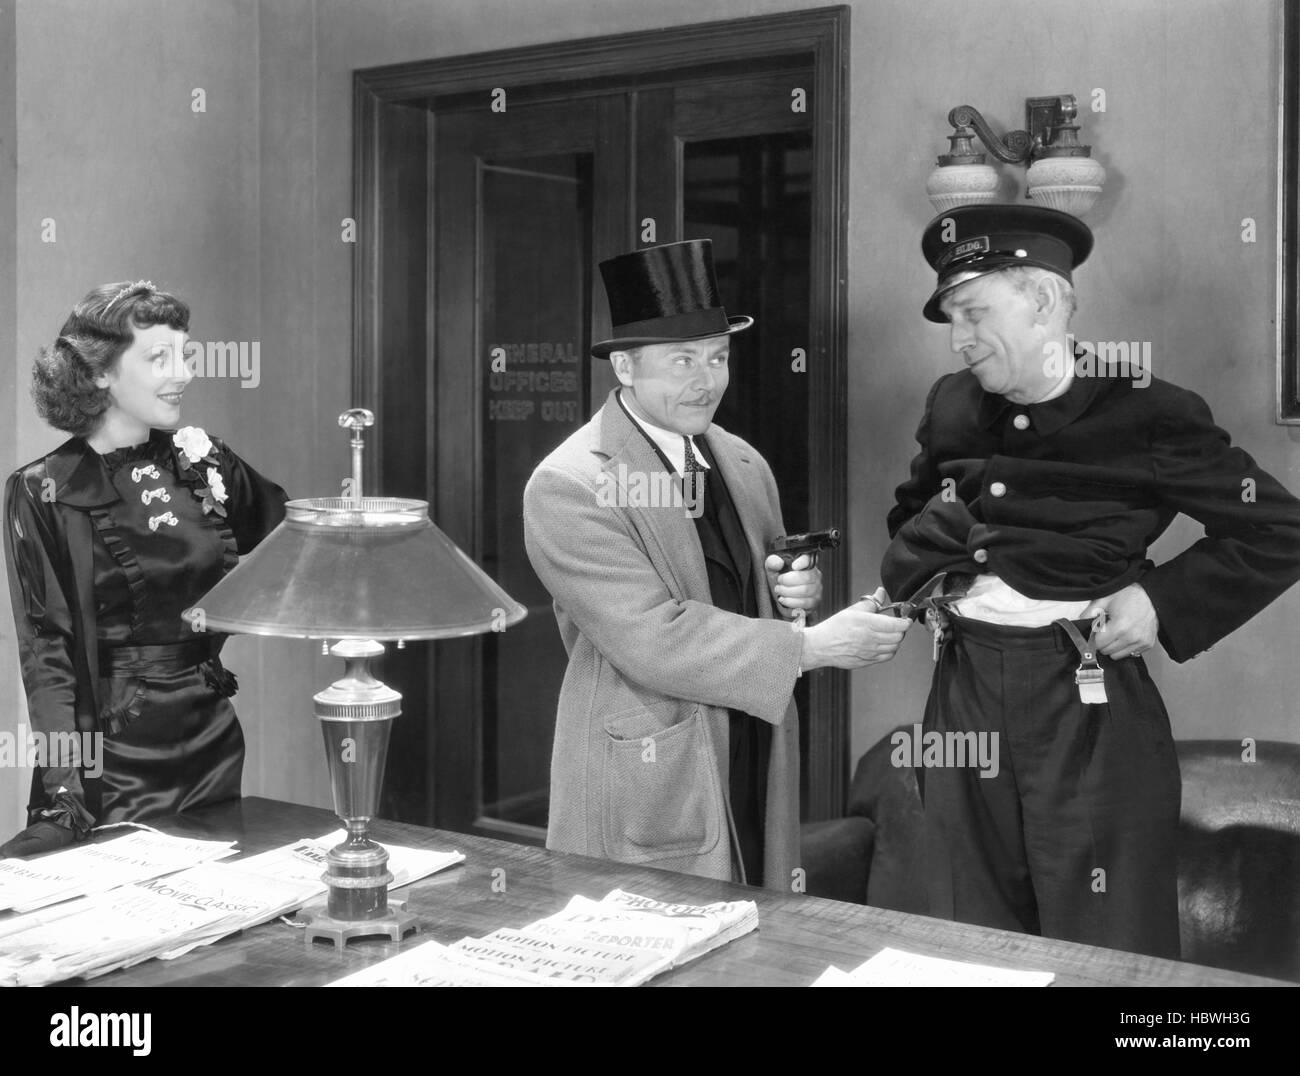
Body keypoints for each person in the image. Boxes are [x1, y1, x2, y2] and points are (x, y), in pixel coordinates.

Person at [882, 205, 1300, 958]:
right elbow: (911, 515)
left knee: (1109, 938)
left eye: (975, 313)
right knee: (970, 921)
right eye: (951, 319)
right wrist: (931, 570)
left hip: (1085, 698)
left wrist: (1160, 602)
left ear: (1044, 303)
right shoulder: (952, 403)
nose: (960, 339)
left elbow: (1278, 528)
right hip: (964, 689)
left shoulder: (1146, 409)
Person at [524, 240, 907, 889]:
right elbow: (654, 638)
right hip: (653, 759)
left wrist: (790, 589)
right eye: (681, 361)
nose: (706, 380)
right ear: (624, 367)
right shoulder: (569, 483)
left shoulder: (742, 462)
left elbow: (752, 584)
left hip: (751, 746)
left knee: (753, 929)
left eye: (718, 357)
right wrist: (809, 645)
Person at [2, 281, 287, 857]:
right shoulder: (44, 489)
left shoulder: (206, 461)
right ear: (100, 372)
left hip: (211, 737)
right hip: (111, 757)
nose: (181, 372)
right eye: (158, 357)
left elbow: (295, 533)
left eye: (185, 353)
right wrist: (63, 792)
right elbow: (46, 652)